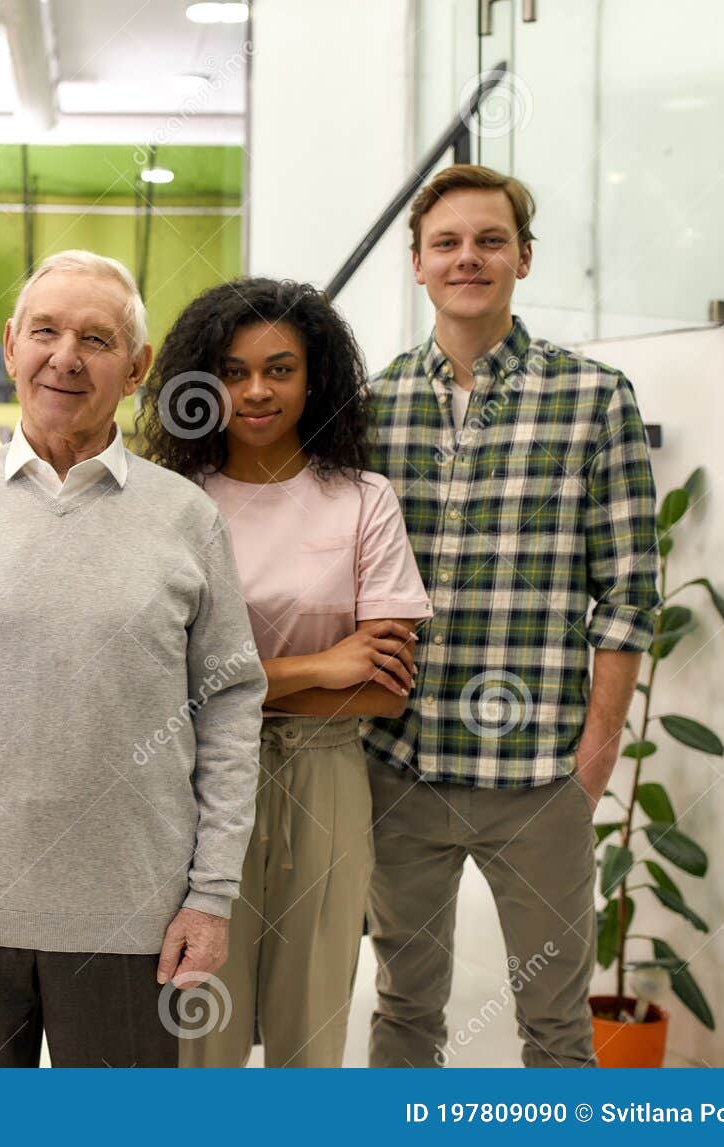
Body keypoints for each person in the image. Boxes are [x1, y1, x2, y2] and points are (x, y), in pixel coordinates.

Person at [0, 250, 267, 1068]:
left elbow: (229, 711)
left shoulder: (187, 520)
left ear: (138, 367)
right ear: (10, 347)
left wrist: (211, 897)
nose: (66, 356)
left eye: (96, 338)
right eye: (45, 331)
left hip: (130, 922)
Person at [363, 164, 660, 1068]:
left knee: (558, 1029)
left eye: (490, 241)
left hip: (540, 775)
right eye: (447, 243)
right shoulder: (374, 405)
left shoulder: (595, 398)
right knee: (404, 1012)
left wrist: (597, 749)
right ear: (417, 264)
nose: (469, 258)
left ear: (523, 259)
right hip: (400, 767)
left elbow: (630, 593)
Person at [138, 277, 432, 1067]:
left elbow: (382, 687)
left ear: (316, 378)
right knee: (200, 1024)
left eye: (281, 368)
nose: (257, 391)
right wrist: (319, 665)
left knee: (312, 1025)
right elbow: (154, 690)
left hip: (325, 779)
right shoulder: (168, 503)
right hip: (189, 782)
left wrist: (243, 686)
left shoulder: (362, 501)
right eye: (233, 372)